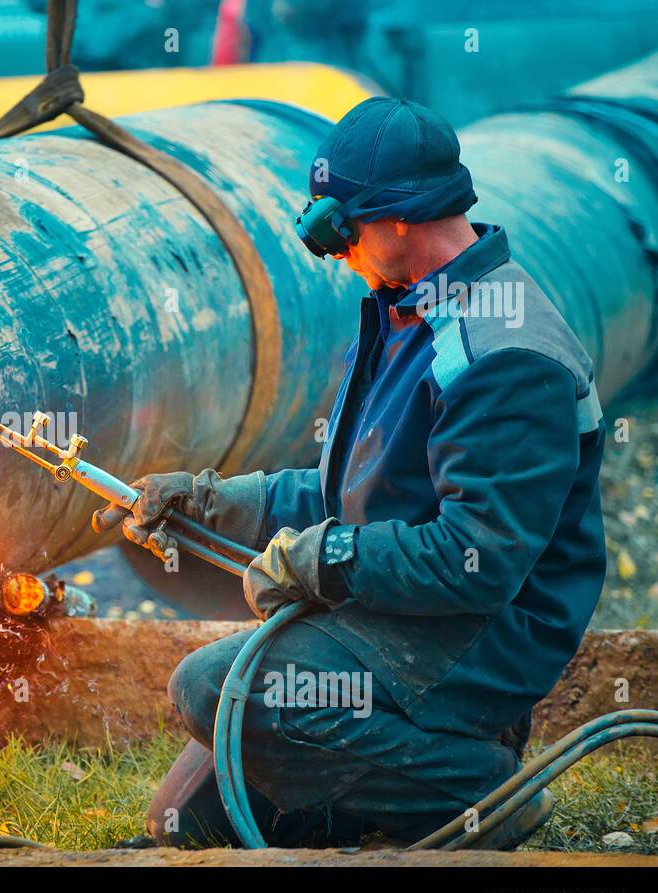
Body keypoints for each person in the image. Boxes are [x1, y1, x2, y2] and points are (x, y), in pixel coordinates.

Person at [97, 97, 607, 848]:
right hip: (407, 609)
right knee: (187, 817)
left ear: (401, 217)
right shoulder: (407, 311)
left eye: (342, 229)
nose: (335, 252)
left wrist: (325, 559)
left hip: (476, 636)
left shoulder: (503, 352)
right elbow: (355, 493)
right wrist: (210, 503)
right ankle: (386, 793)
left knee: (214, 689)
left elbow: (476, 562)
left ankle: (476, 789)